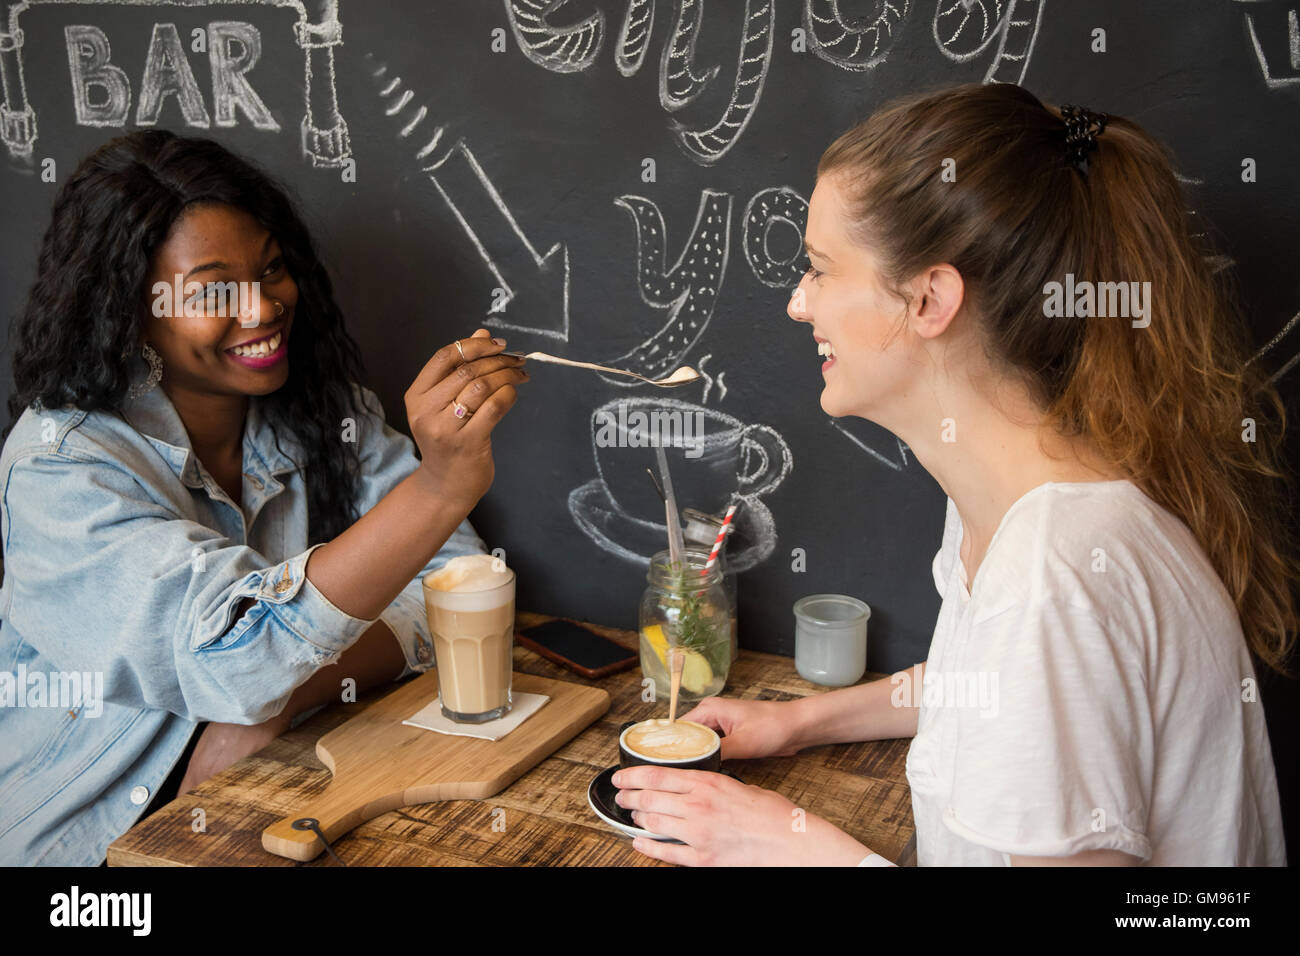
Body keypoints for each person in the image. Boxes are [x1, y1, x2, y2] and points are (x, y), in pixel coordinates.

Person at [613, 82, 1295, 866]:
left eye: (822, 271)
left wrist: (787, 845)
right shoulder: (1017, 508)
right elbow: (988, 688)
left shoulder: (1054, 576)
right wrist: (799, 723)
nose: (800, 305)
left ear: (931, 298)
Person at [0, 130, 529, 865]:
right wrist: (438, 488)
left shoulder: (321, 409)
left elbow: (456, 585)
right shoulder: (60, 468)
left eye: (273, 270)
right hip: (83, 849)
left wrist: (286, 699)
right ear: (127, 312)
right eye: (217, 290)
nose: (263, 308)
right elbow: (236, 662)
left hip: (276, 786)